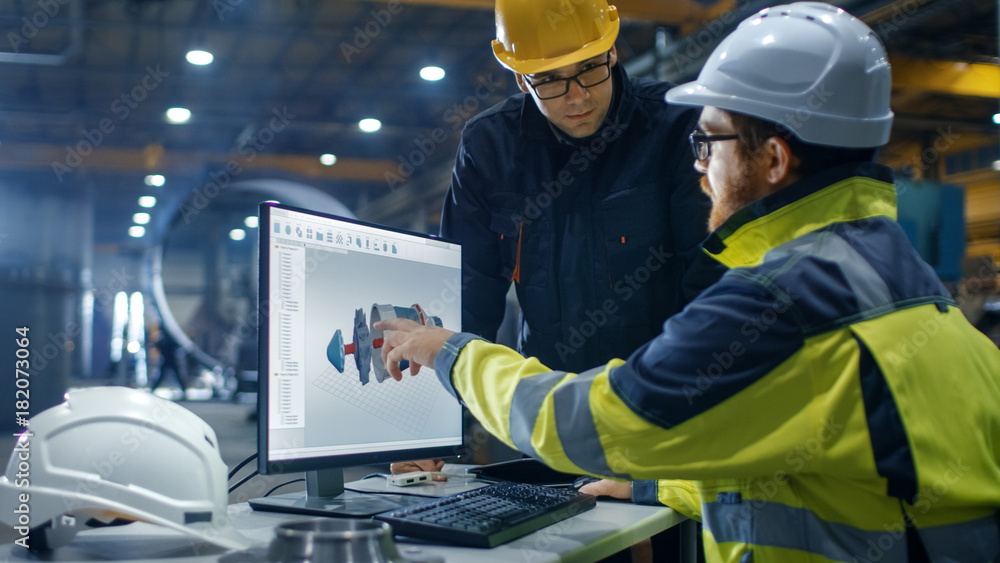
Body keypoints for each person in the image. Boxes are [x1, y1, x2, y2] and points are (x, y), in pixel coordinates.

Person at [375, 3, 1000, 561]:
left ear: (774, 161)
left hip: (619, 418)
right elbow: (779, 437)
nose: (700, 170)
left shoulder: (778, 304)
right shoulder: (914, 294)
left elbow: (584, 423)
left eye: (710, 145)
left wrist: (451, 355)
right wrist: (655, 483)